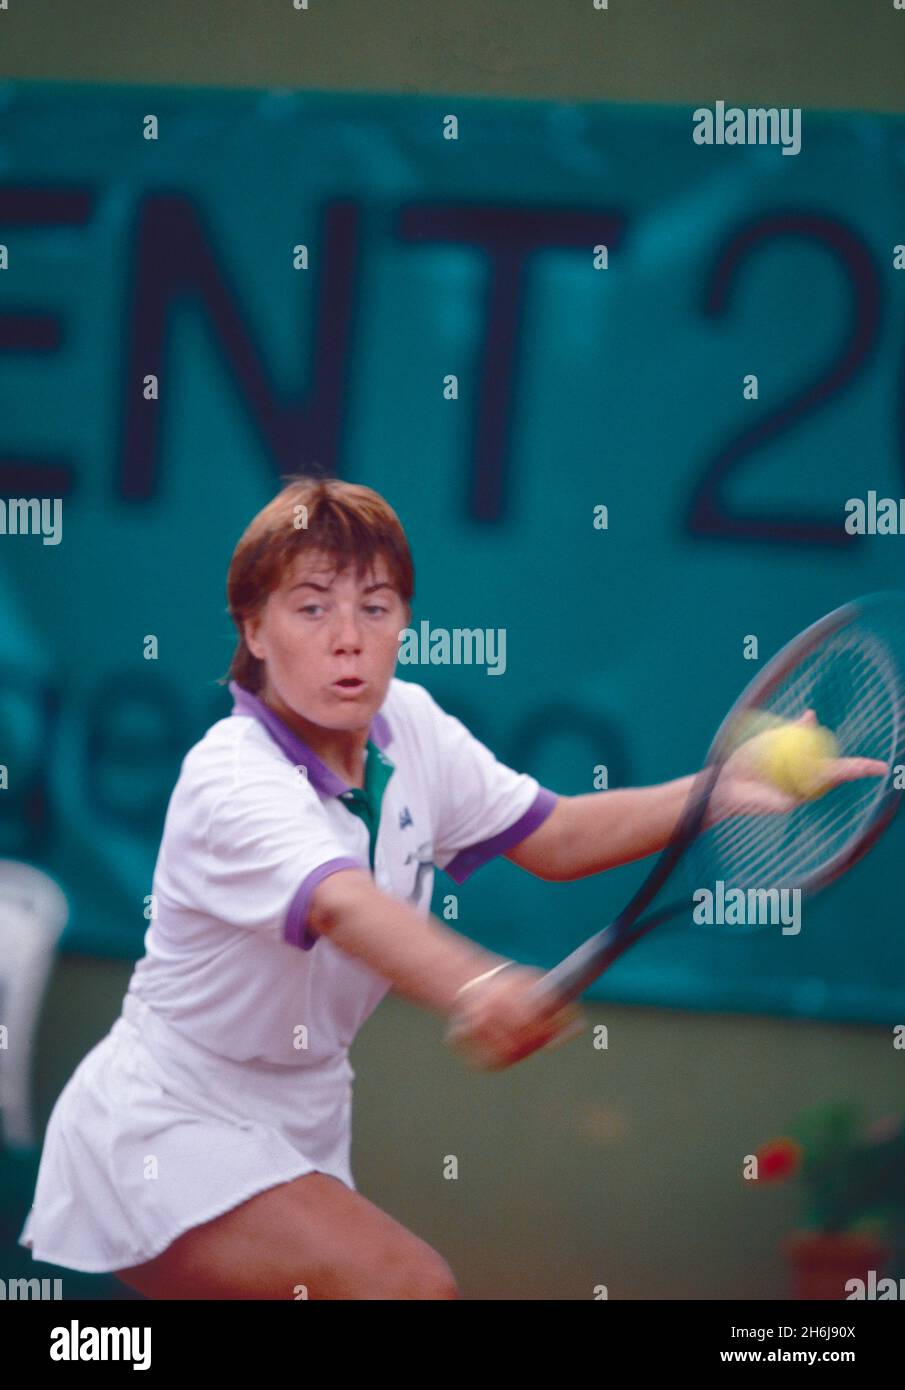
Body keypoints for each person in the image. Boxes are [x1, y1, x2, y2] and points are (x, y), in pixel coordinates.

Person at [18, 476, 884, 1299]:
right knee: (407, 1285)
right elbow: (341, 903)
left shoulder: (410, 727)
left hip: (303, 1122)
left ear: (404, 622)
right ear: (254, 629)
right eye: (311, 607)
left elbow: (557, 836)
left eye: (375, 606)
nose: (347, 636)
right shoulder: (232, 779)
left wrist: (715, 792)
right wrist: (476, 986)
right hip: (164, 1129)